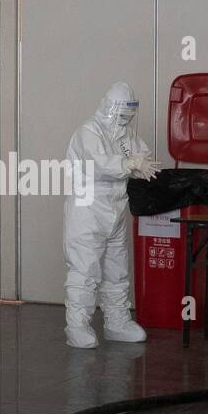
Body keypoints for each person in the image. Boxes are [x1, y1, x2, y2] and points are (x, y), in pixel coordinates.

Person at [63, 81, 161, 349]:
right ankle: (77, 327)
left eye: (129, 114)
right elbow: (99, 163)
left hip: (116, 208)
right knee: (85, 269)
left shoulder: (124, 134)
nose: (125, 119)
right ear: (110, 107)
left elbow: (139, 153)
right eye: (122, 113)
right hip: (89, 209)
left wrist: (141, 164)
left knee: (116, 270)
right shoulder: (89, 132)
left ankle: (117, 322)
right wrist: (130, 164)